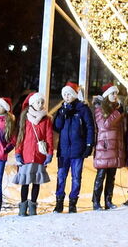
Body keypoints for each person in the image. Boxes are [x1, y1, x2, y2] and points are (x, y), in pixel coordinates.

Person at [52, 81, 95, 214]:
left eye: (69, 94)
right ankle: (59, 202)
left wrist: (89, 144)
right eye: (64, 94)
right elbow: (57, 127)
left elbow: (90, 127)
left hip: (78, 149)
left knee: (76, 177)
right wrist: (62, 114)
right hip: (63, 150)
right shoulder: (61, 109)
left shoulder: (82, 109)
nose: (67, 97)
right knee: (61, 176)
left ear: (74, 95)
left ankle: (72, 202)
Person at [12, 91, 53, 216]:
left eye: (42, 102)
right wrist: (18, 152)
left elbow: (49, 137)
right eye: (37, 102)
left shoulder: (46, 119)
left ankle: (33, 206)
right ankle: (23, 206)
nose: (40, 104)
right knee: (25, 182)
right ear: (32, 104)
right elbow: (20, 136)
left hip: (39, 155)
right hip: (26, 155)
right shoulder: (25, 118)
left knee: (36, 181)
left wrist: (49, 153)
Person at [91, 83, 125, 210]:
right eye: (112, 93)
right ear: (106, 95)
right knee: (101, 175)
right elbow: (105, 125)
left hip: (115, 147)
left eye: (116, 93)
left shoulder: (117, 109)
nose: (115, 95)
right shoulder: (100, 109)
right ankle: (96, 201)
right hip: (104, 147)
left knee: (111, 176)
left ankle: (108, 200)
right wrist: (118, 113)